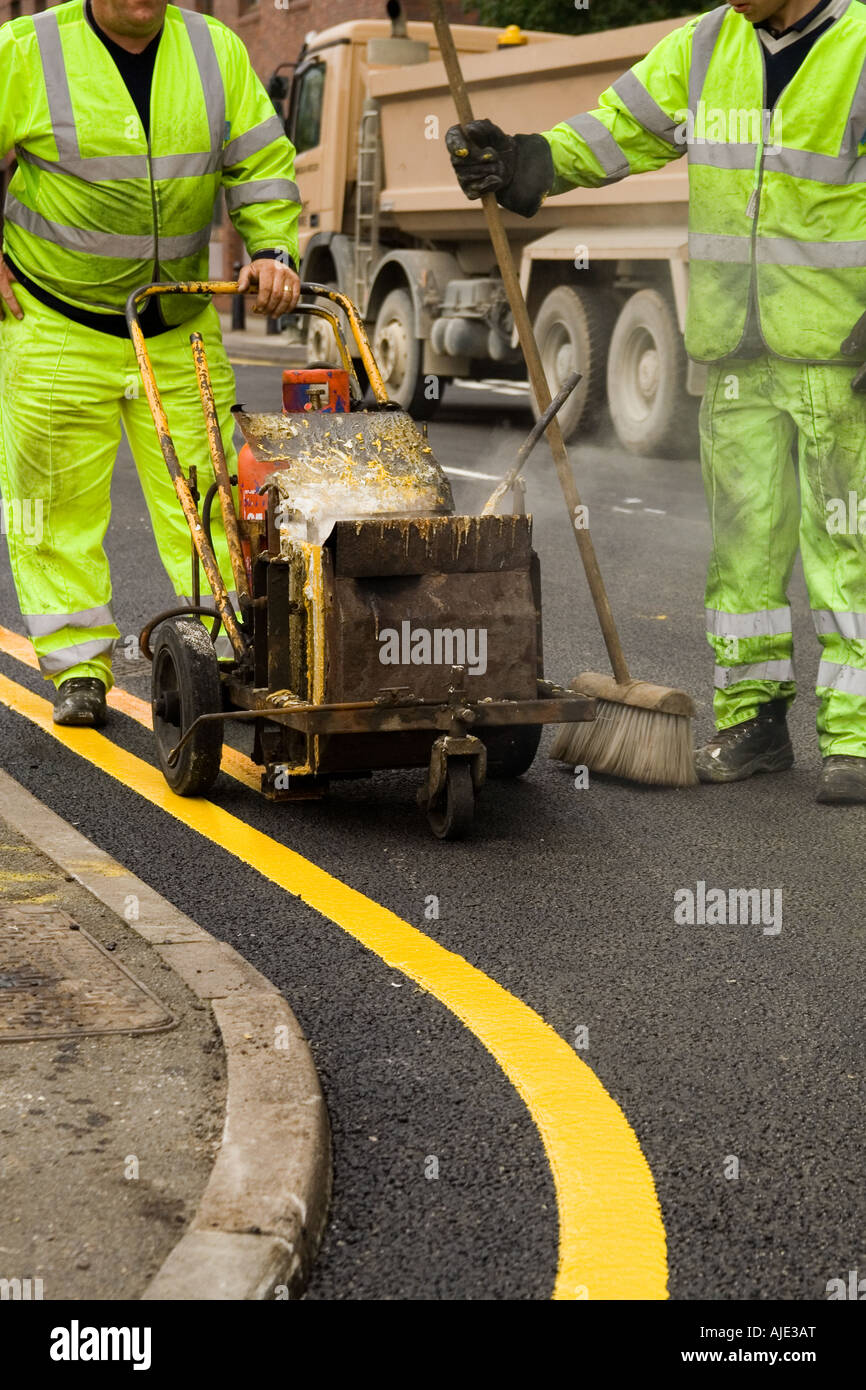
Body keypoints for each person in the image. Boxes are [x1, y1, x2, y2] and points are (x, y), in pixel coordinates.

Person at [448, 0, 866, 805]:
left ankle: (856, 738)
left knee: (848, 549)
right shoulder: (705, 46)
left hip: (838, 349)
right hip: (734, 347)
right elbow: (617, 130)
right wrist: (527, 161)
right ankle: (753, 723)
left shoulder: (858, 46)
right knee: (742, 553)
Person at [0, 0, 301, 726]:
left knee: (217, 499)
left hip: (177, 322)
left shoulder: (215, 49)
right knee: (52, 507)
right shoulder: (25, 49)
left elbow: (260, 164)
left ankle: (230, 650)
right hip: (56, 320)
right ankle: (78, 668)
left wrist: (271, 250)